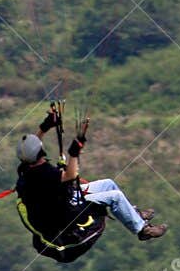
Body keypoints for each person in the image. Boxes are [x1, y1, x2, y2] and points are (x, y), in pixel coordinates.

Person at [15, 105, 166, 253]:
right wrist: (74, 153)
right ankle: (142, 230)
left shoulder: (26, 167)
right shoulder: (44, 173)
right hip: (67, 211)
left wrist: (45, 126)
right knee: (115, 197)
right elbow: (70, 175)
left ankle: (133, 214)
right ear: (40, 154)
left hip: (63, 198)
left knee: (108, 184)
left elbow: (31, 147)